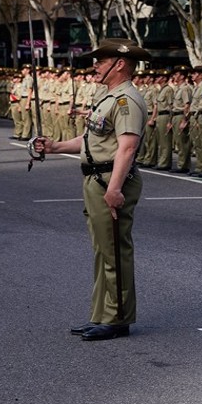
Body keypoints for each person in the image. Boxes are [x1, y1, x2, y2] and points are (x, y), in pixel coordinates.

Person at [33, 38, 150, 342]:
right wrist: (55, 146)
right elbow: (89, 140)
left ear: (119, 64)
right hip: (95, 178)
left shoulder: (127, 100)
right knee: (102, 250)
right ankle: (102, 314)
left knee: (114, 250)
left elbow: (127, 148)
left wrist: (114, 189)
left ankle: (118, 318)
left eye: (100, 61)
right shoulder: (106, 96)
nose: (95, 65)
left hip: (110, 180)